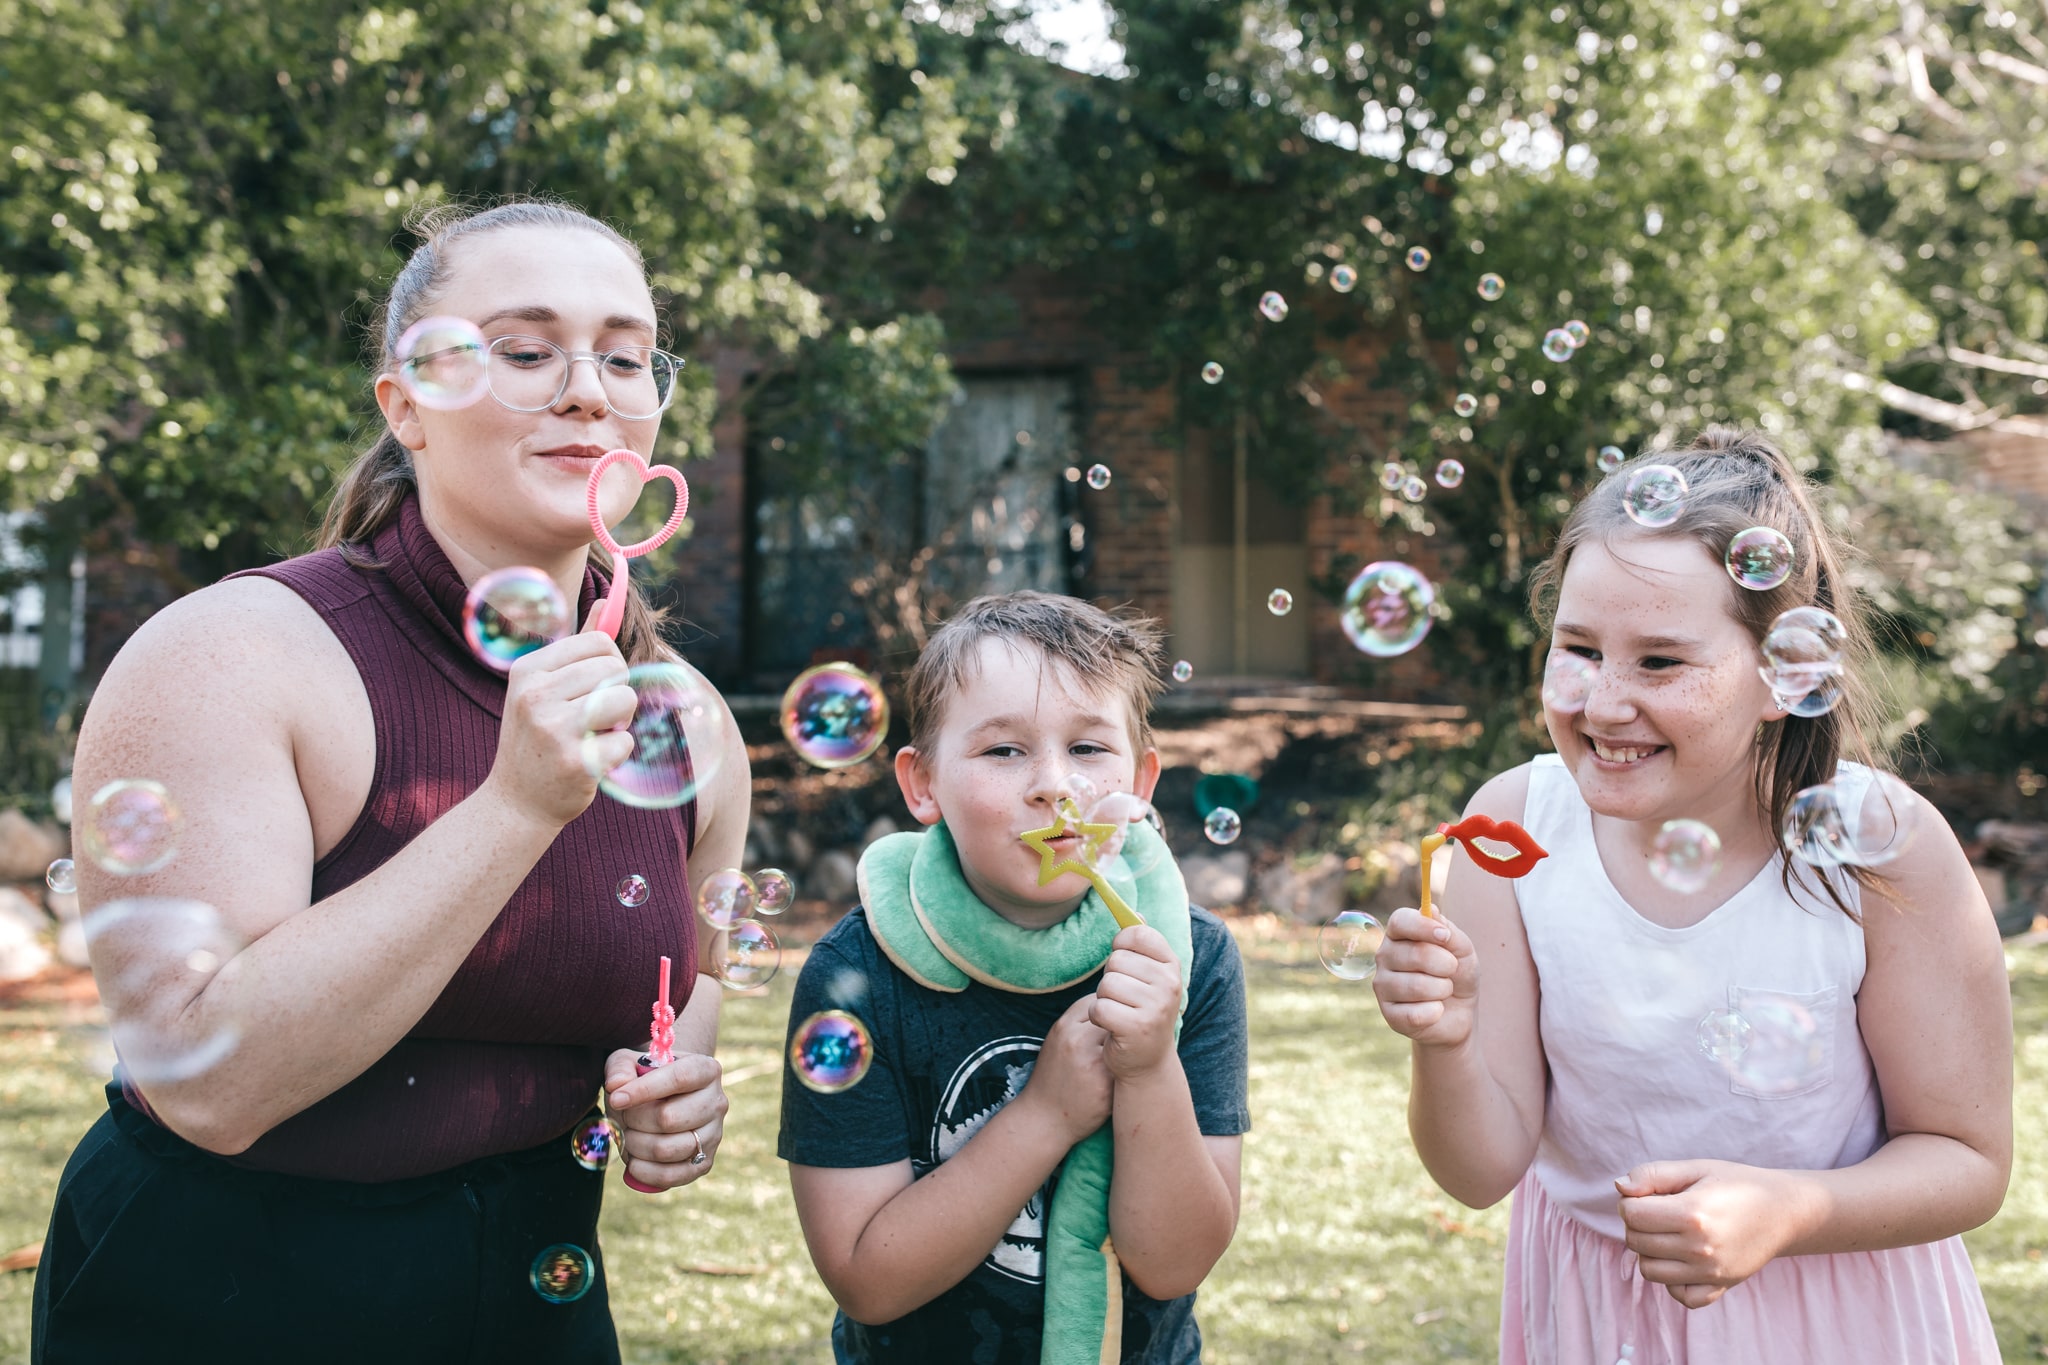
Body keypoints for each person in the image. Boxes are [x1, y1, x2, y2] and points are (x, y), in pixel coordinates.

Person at [34, 200, 749, 1363]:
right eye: (524, 352)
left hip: (534, 1290)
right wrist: (515, 808)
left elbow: (700, 972)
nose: (587, 390)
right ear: (405, 402)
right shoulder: (231, 654)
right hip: (227, 1296)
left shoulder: (686, 718)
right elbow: (207, 1084)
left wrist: (672, 1083)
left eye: (624, 356)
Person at [1372, 426, 2012, 1362]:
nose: (1602, 703)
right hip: (1594, 1320)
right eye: (1579, 648)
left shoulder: (1883, 851)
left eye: (1661, 662)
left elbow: (1969, 1160)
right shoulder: (1512, 828)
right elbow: (1477, 1172)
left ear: (1787, 675)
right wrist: (1446, 1038)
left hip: (1838, 1316)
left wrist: (1789, 1209)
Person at [778, 591, 1250, 1364]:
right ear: (922, 784)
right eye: (1004, 751)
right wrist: (1046, 1115)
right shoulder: (858, 972)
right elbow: (868, 1279)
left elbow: (1174, 1263)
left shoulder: (1189, 960)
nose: (1054, 785)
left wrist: (1152, 1064)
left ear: (1143, 779)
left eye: (1090, 750)